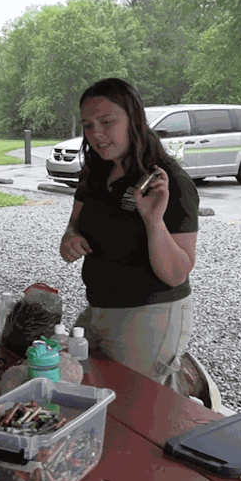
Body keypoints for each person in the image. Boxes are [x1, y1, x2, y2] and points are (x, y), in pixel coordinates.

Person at [59, 77, 200, 394]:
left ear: (134, 120)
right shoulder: (95, 172)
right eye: (88, 125)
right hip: (99, 307)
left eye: (107, 122)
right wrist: (70, 239)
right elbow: (74, 225)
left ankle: (184, 393)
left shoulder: (169, 183)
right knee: (77, 384)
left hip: (150, 312)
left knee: (130, 405)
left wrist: (153, 221)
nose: (96, 133)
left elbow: (176, 273)